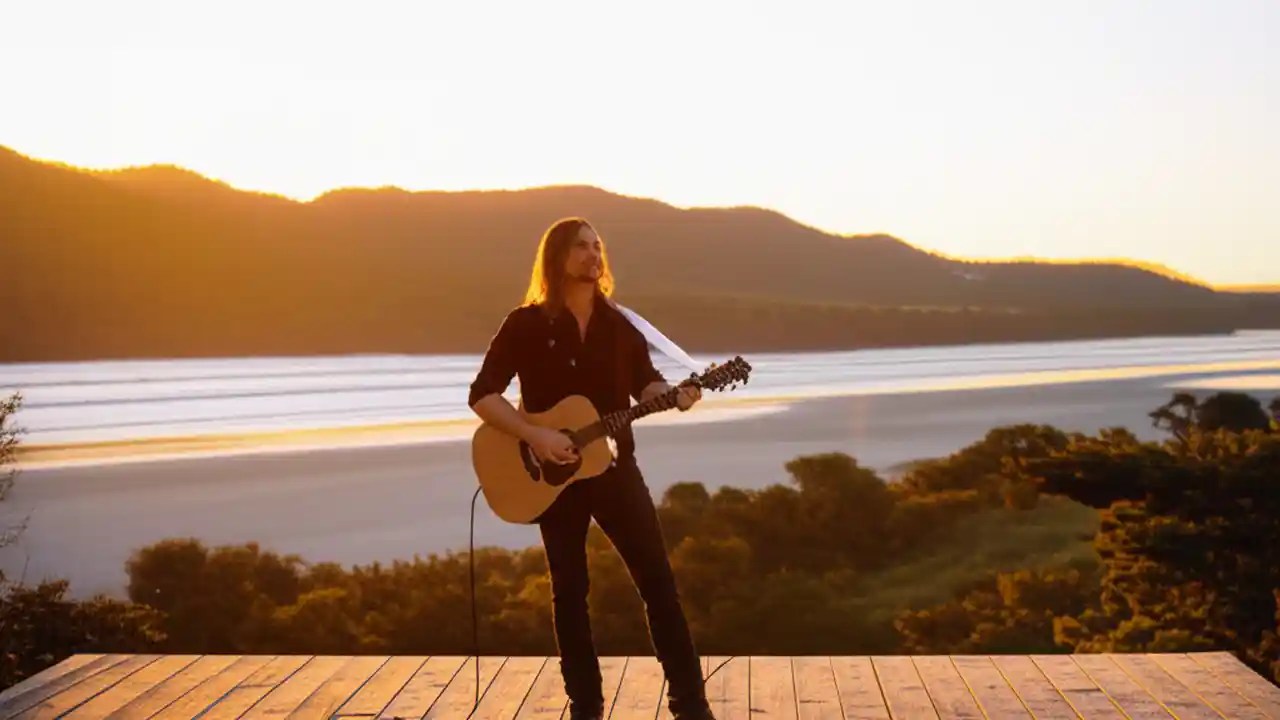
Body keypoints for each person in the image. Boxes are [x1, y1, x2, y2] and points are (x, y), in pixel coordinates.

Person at [468, 217, 715, 720]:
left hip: (616, 470)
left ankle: (690, 706)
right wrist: (535, 436)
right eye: (581, 247)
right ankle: (586, 707)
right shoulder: (526, 324)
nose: (593, 255)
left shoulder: (621, 326)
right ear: (557, 257)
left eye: (598, 247)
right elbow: (482, 395)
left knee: (659, 585)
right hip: (551, 476)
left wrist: (676, 396)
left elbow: (646, 384)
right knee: (570, 593)